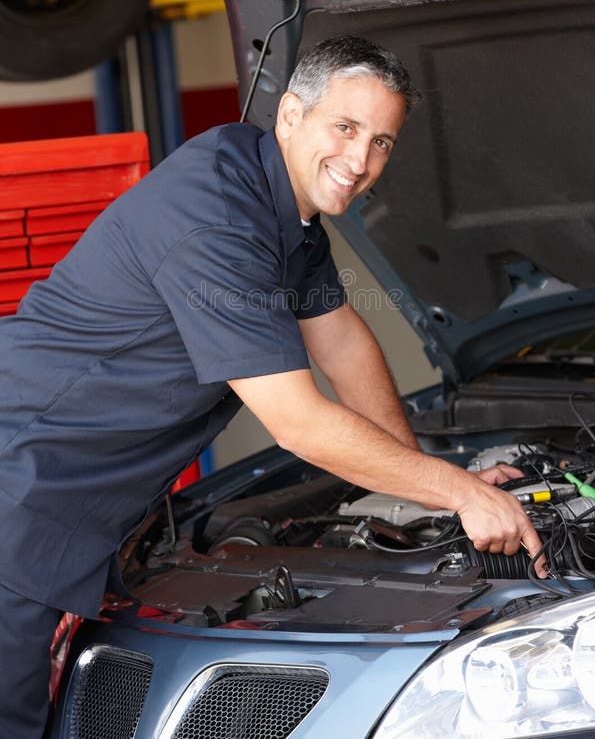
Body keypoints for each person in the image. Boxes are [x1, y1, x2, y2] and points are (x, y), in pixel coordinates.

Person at [0, 36, 544, 737]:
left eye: (380, 141)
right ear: (290, 114)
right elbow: (299, 423)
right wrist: (460, 494)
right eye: (344, 127)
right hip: (19, 496)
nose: (359, 160)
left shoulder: (281, 209)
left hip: (57, 510)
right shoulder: (218, 216)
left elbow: (342, 342)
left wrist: (423, 486)